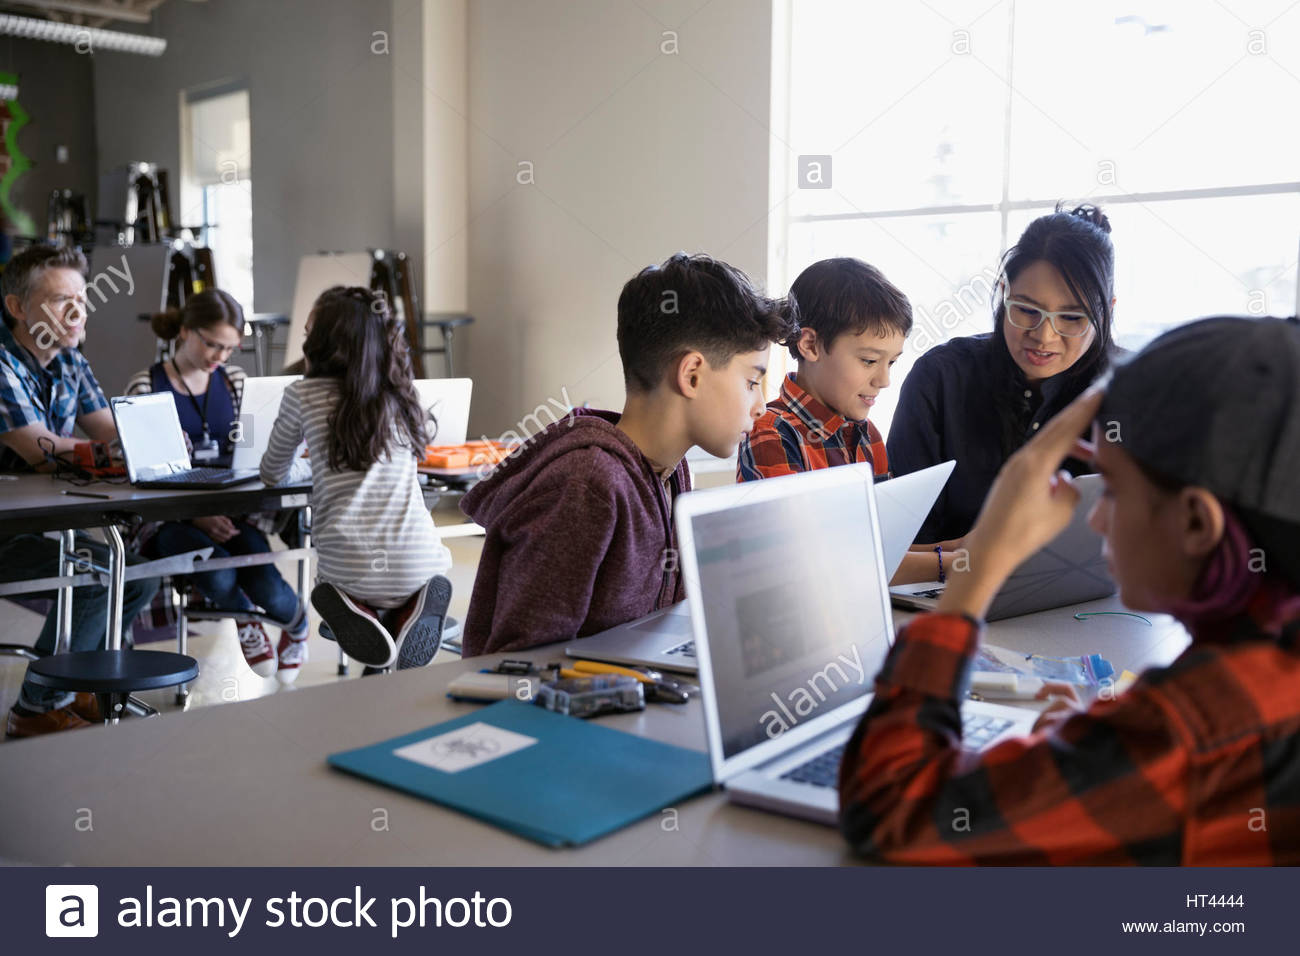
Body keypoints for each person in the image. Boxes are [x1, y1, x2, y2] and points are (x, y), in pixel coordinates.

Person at [839, 315, 1300, 865]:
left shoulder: (1186, 734)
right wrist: (1100, 754)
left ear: (1198, 525)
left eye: (1112, 489)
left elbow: (889, 807)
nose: (1098, 518)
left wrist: (979, 567)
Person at [460, 252, 798, 656]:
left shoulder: (670, 473)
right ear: (691, 374)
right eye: (752, 382)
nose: (761, 405)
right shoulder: (586, 484)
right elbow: (517, 667)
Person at [887, 204, 1118, 546]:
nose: (1044, 336)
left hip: (1098, 596)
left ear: (1107, 311)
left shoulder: (1131, 390)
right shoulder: (940, 379)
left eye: (1071, 318)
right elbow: (898, 543)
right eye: (1026, 310)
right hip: (944, 593)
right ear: (1002, 292)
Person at [0, 244, 159, 737]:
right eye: (59, 300)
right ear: (17, 307)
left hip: (41, 523)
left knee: (136, 576)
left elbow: (110, 430)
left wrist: (158, 442)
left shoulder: (69, 360)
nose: (77, 312)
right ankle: (36, 708)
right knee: (98, 575)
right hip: (8, 532)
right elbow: (36, 448)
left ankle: (82, 681)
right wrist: (110, 454)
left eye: (82, 300)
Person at [259, 286, 452, 671]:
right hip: (420, 563)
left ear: (321, 341)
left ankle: (358, 607)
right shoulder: (400, 393)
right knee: (421, 565)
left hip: (349, 568)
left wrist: (313, 466)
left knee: (332, 583)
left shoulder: (302, 395)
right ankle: (408, 609)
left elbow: (271, 473)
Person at [124, 290, 309, 683]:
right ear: (186, 332)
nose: (220, 358)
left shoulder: (235, 381)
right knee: (218, 576)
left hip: (235, 510)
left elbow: (255, 450)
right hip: (169, 517)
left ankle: (297, 625)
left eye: (230, 349)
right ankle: (246, 620)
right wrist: (199, 515)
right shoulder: (146, 384)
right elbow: (143, 474)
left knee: (269, 587)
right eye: (212, 345)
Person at [736, 257, 950, 584]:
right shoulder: (772, 433)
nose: (884, 379)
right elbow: (810, 565)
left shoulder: (868, 436)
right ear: (810, 345)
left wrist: (956, 550)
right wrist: (949, 563)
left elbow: (878, 548)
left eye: (891, 362)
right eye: (868, 360)